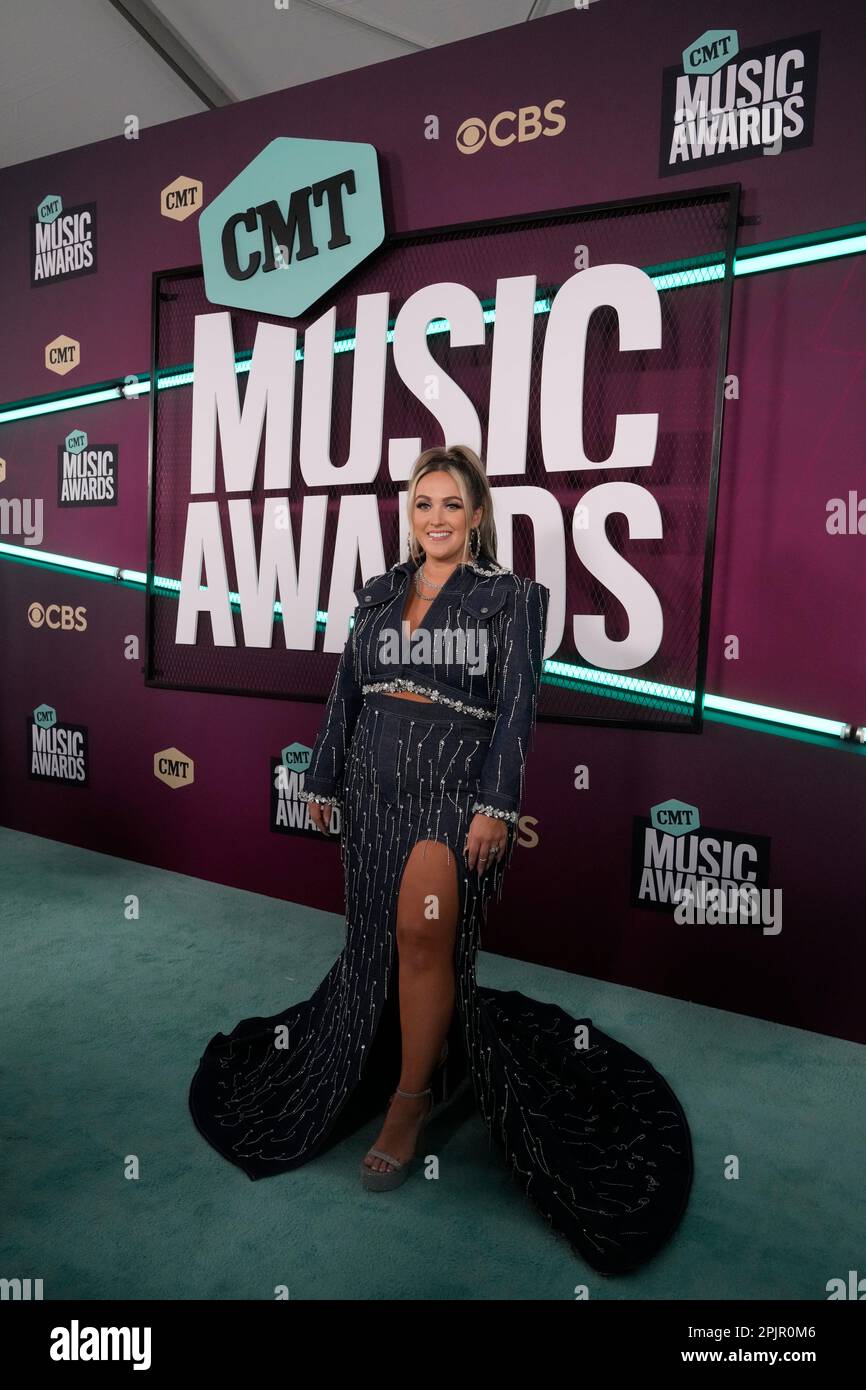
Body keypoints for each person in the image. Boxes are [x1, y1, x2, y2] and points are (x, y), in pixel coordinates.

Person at [189, 445, 693, 1275]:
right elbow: (348, 687)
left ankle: (410, 1101)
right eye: (424, 504)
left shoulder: (510, 599)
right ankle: (378, 1057)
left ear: (478, 514)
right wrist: (321, 770)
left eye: (452, 505)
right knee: (374, 944)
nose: (436, 519)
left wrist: (498, 805)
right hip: (375, 775)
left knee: (424, 941)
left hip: (453, 783)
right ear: (409, 512)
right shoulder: (378, 593)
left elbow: (519, 709)